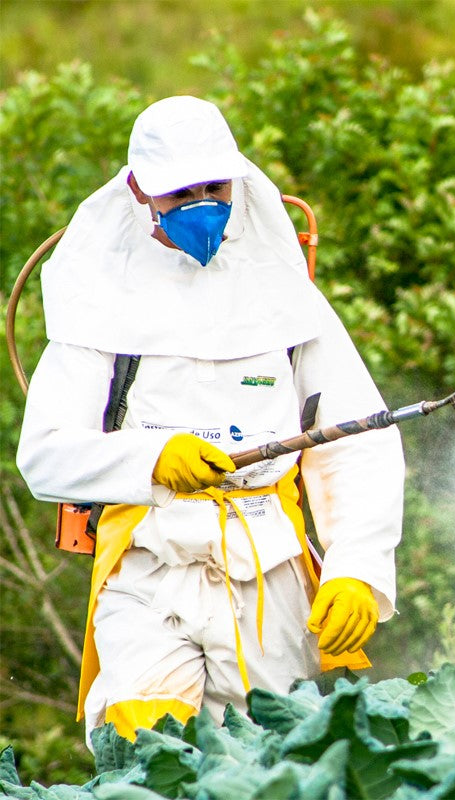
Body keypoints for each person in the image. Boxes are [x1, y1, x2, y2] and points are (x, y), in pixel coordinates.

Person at [16, 95, 404, 747]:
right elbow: (45, 454)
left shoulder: (281, 290)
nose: (202, 201)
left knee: (275, 758)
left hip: (269, 565)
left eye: (214, 185)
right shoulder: (100, 294)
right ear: (140, 188)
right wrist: (150, 460)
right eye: (180, 190)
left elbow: (357, 438)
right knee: (146, 750)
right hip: (150, 561)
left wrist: (357, 568)